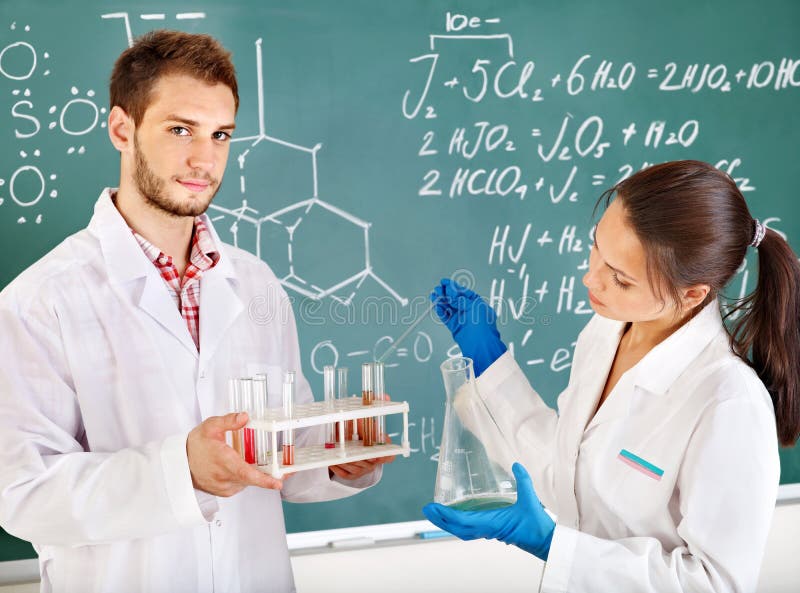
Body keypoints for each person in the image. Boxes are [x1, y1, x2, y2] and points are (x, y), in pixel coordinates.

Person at [0, 30, 392, 593]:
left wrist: (335, 459)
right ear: (121, 129)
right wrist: (180, 470)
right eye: (180, 129)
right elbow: (24, 496)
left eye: (221, 134)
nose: (204, 158)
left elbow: (282, 450)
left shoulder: (255, 283)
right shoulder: (41, 301)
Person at [423, 160, 800, 592]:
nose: (591, 278)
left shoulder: (728, 401)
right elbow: (569, 468)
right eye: (596, 248)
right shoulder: (606, 332)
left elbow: (716, 584)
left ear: (692, 294)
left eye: (620, 279)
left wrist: (554, 546)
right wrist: (488, 360)